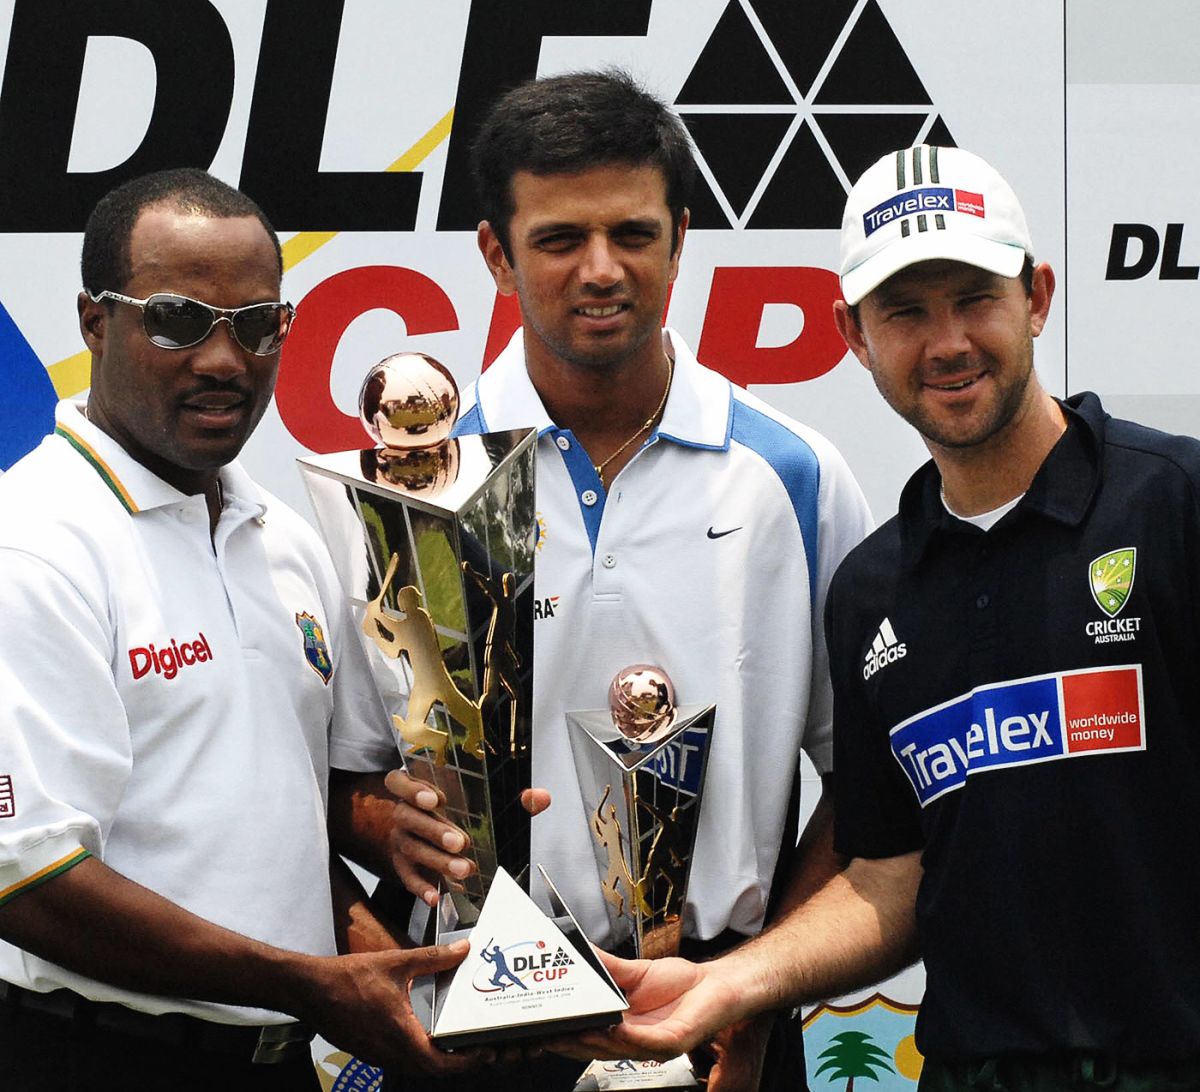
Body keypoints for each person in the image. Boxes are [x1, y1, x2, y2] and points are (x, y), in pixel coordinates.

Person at [560, 143, 1200, 1091]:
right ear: (852, 334)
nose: (946, 343)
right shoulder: (872, 592)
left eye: (975, 298)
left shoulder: (1174, 504)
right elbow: (886, 879)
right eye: (904, 311)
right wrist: (727, 985)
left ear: (1039, 297)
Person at [376, 70, 873, 1091]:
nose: (601, 270)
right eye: (560, 239)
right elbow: (342, 774)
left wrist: (759, 987)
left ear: (681, 239)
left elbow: (869, 782)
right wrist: (390, 827)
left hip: (722, 1015)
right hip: (481, 1016)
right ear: (495, 254)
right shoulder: (425, 481)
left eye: (633, 234)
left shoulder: (793, 474)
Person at [0, 168, 476, 1091]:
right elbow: (27, 883)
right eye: (179, 319)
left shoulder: (287, 540)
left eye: (259, 325)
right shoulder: (33, 544)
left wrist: (411, 883)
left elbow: (294, 815)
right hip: (87, 1058)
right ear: (96, 322)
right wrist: (313, 984)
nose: (225, 358)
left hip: (275, 1059)